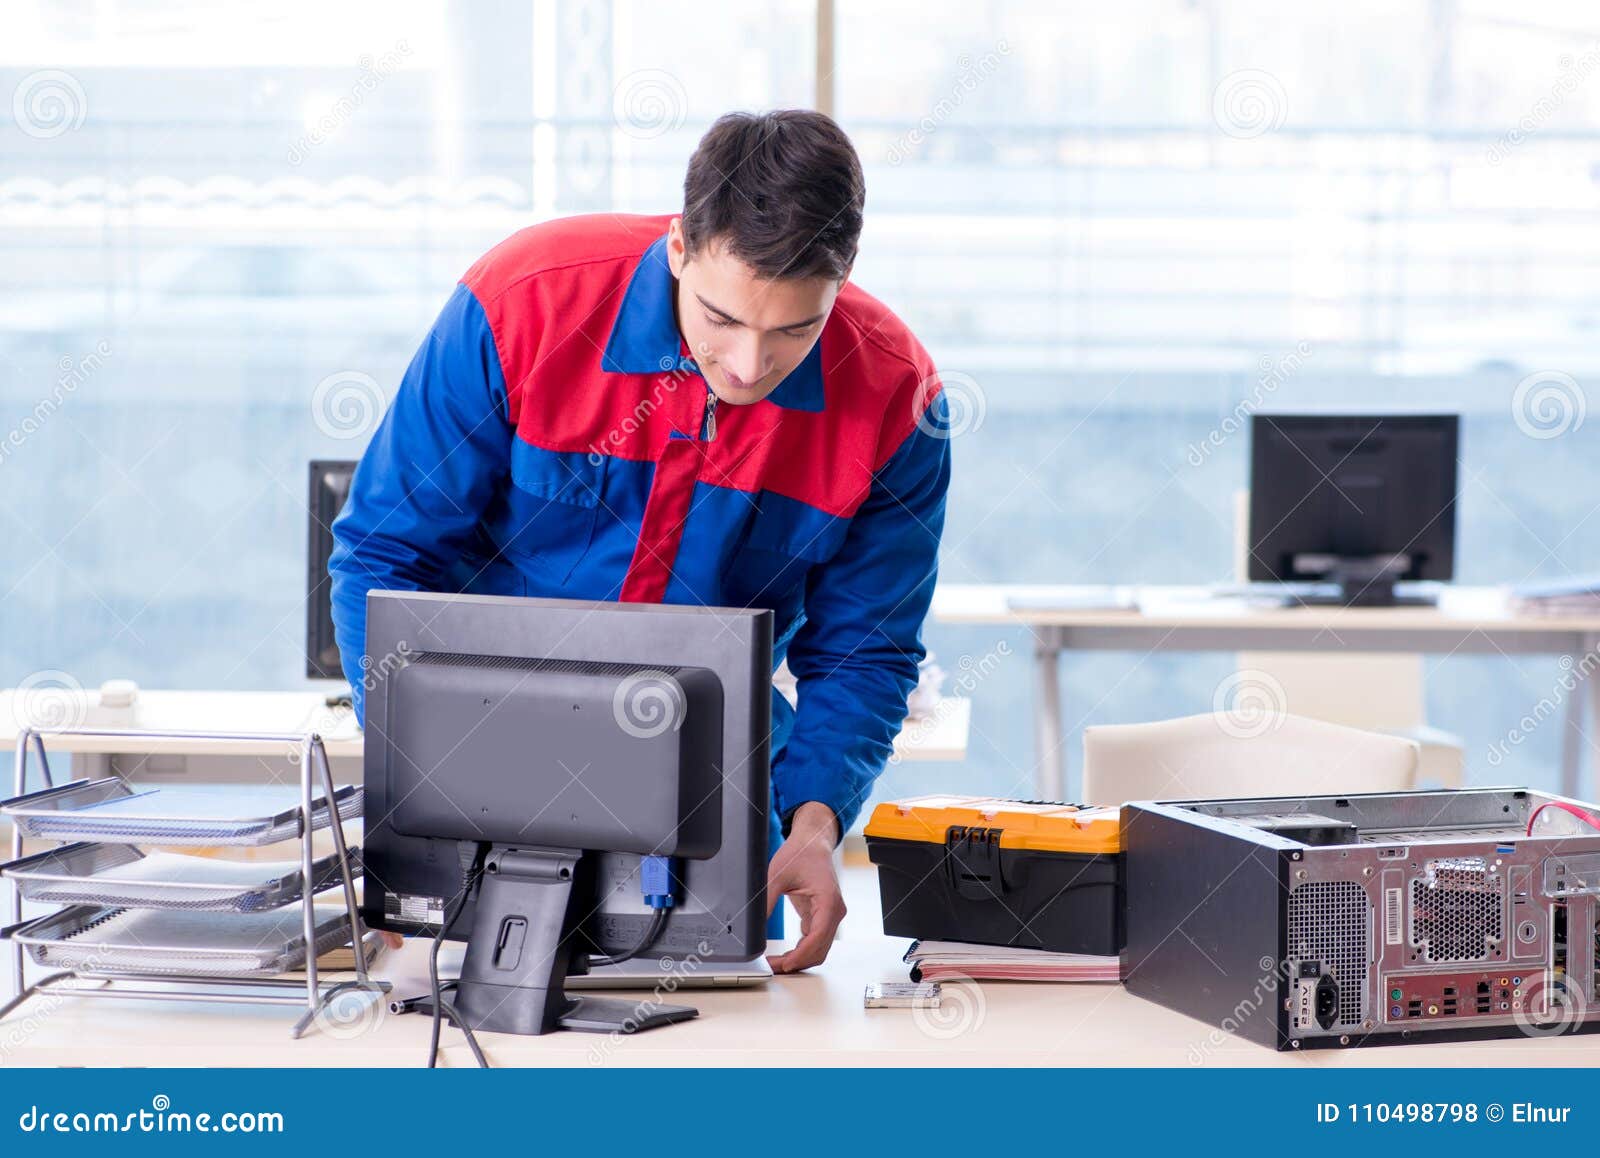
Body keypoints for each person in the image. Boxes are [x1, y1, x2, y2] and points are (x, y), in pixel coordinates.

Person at [329, 109, 951, 972]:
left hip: (717, 803)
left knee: (713, 1061)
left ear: (842, 283)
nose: (745, 365)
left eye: (793, 332)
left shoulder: (896, 401)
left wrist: (817, 824)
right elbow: (385, 556)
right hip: (479, 768)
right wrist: (412, 774)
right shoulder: (522, 306)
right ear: (678, 247)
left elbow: (864, 653)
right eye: (722, 318)